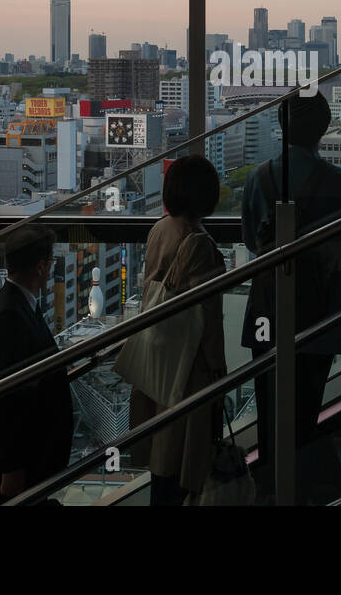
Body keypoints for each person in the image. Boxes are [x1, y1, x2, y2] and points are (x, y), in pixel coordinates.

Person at [240, 91, 341, 501]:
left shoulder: (258, 178)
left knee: (269, 413)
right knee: (305, 413)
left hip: (266, 312)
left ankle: (270, 489)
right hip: (320, 314)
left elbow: (248, 240)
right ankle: (299, 489)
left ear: (282, 127)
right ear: (325, 128)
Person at [124, 155, 228, 506]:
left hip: (157, 357)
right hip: (188, 368)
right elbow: (209, 318)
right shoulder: (199, 243)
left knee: (161, 464)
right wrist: (218, 370)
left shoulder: (160, 229)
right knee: (184, 464)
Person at [0, 224, 75, 505]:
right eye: (50, 263)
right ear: (41, 267)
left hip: (29, 451)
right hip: (22, 458)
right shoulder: (9, 315)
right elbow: (5, 396)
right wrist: (12, 466)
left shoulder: (18, 304)